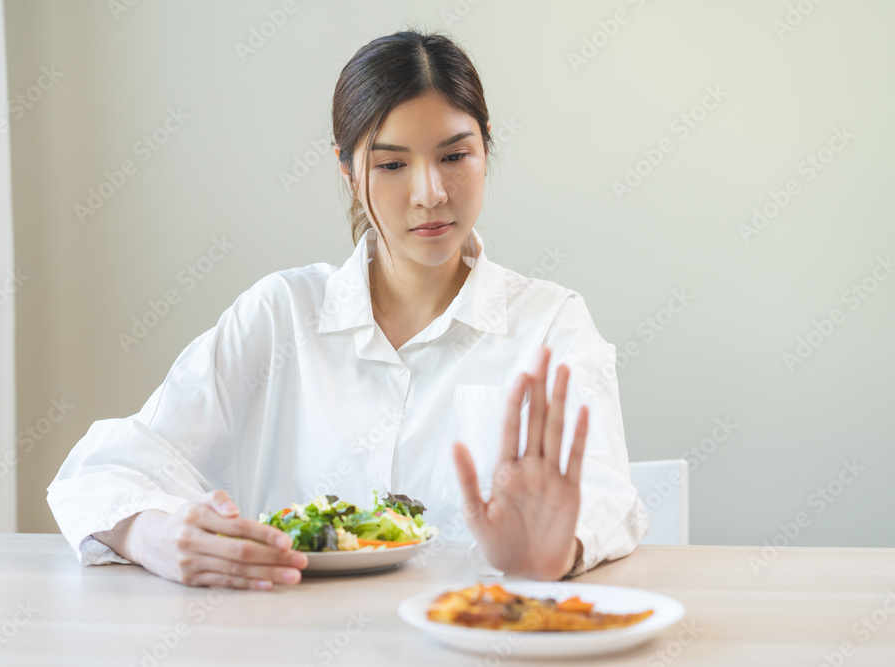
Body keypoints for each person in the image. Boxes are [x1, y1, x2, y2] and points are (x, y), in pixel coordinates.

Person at [47, 30, 647, 591]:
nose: (429, 192)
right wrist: (152, 533)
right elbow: (102, 472)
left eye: (454, 156)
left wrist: (555, 550)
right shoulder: (279, 316)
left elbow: (606, 496)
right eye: (390, 165)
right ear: (346, 169)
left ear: (485, 146)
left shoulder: (551, 323)